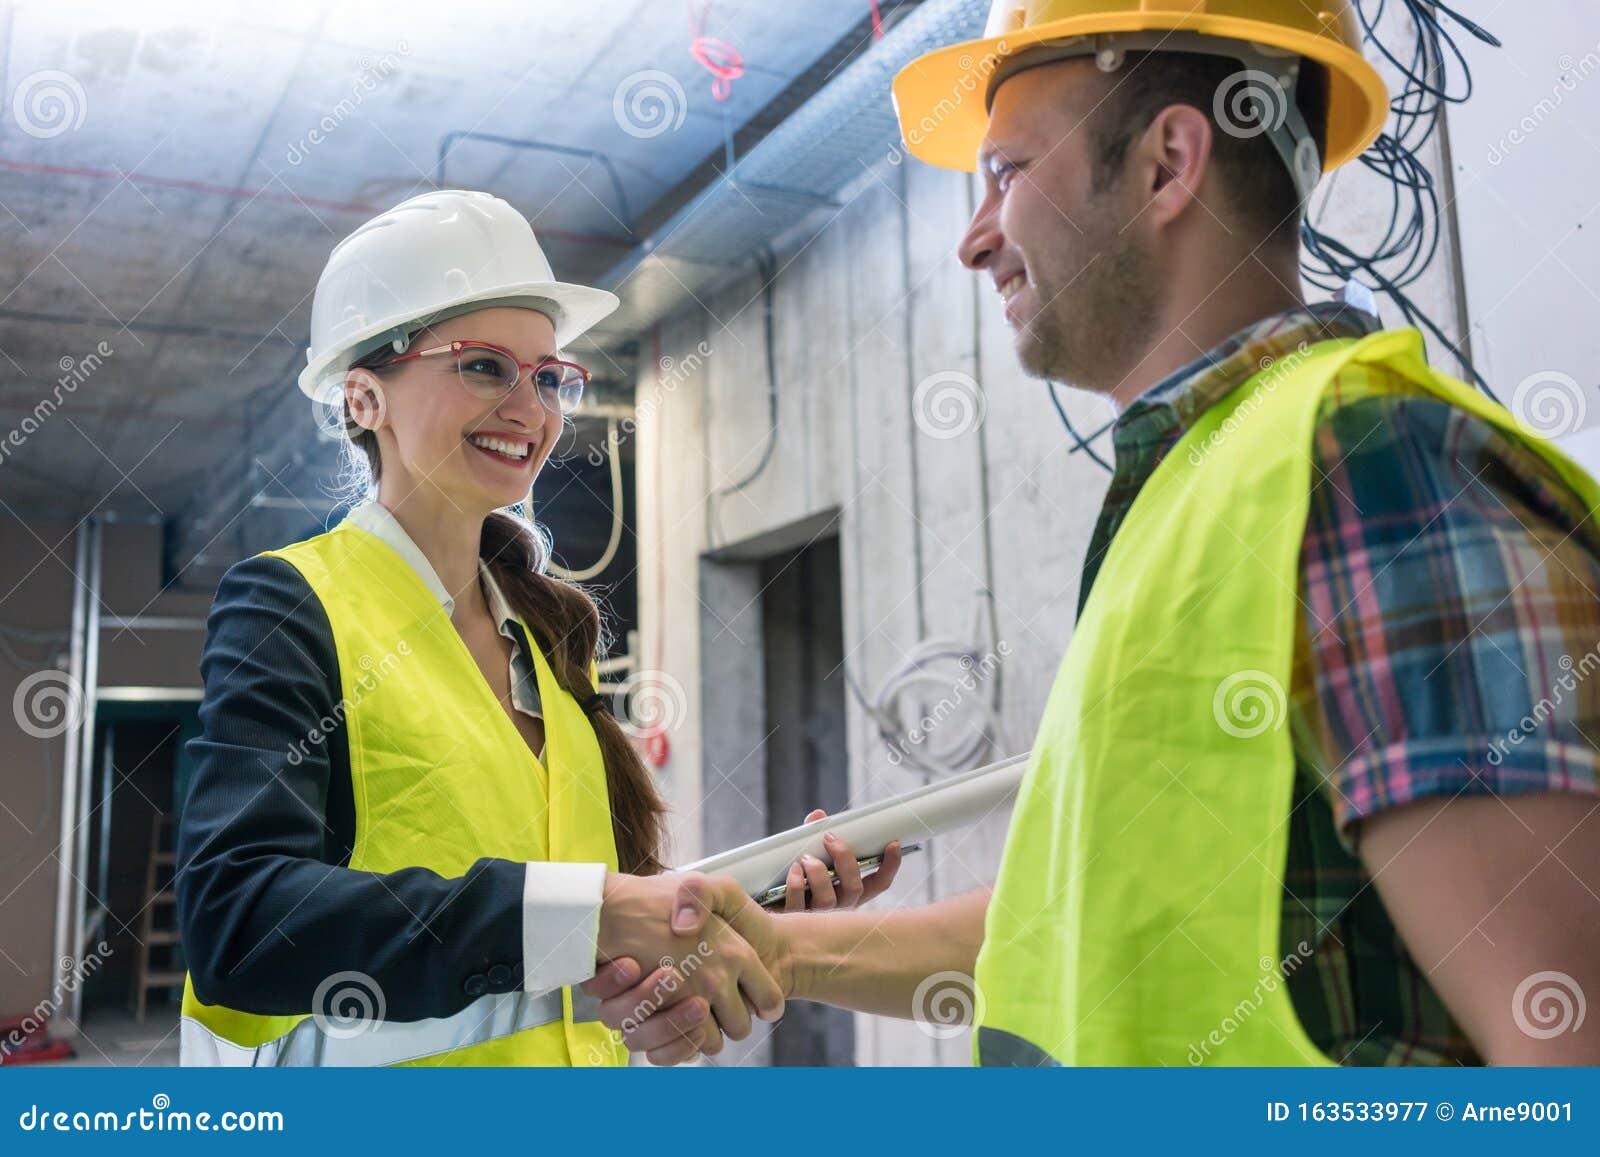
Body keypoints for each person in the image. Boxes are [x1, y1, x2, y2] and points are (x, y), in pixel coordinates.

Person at [589, 0, 1600, 1066]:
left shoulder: (1367, 464)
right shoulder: (1197, 491)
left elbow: (1565, 1052)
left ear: (1168, 163)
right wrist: (776, 948)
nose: (977, 238)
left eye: (1007, 173)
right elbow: (1080, 924)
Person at [175, 189, 898, 1067]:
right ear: (365, 398)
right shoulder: (291, 603)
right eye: (484, 365)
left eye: (550, 375)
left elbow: (589, 934)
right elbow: (239, 919)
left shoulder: (545, 638)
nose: (533, 408)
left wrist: (750, 911)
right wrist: (591, 914)